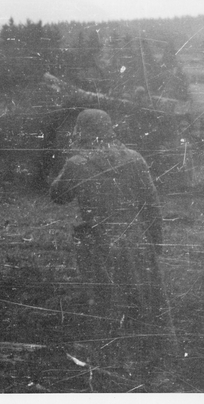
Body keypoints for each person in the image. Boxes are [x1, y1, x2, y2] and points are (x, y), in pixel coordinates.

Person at [50, 109, 178, 384]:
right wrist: (155, 243)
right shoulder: (135, 158)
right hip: (136, 240)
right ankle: (154, 363)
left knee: (105, 302)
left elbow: (58, 195)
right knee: (145, 300)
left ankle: (115, 365)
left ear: (82, 131)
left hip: (99, 242)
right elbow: (152, 205)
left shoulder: (77, 163)